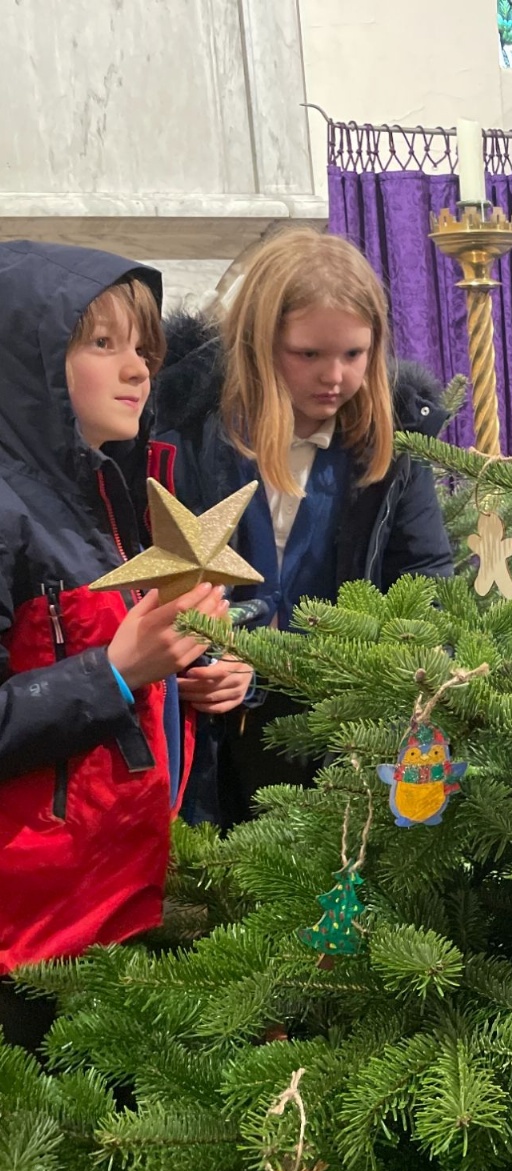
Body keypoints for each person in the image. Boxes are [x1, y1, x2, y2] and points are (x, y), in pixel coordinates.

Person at [0, 241, 231, 1051]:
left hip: (123, 897)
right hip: (29, 937)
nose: (136, 369)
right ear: (27, 356)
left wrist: (192, 678)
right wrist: (115, 672)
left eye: (143, 347)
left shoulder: (111, 492)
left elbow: (125, 688)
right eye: (101, 343)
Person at [153, 229, 454, 828]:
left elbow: (427, 583)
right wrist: (189, 667)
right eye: (308, 354)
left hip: (342, 728)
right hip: (218, 742)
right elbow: (151, 576)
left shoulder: (394, 447)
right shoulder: (183, 432)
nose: (335, 377)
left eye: (353, 354)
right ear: (261, 345)